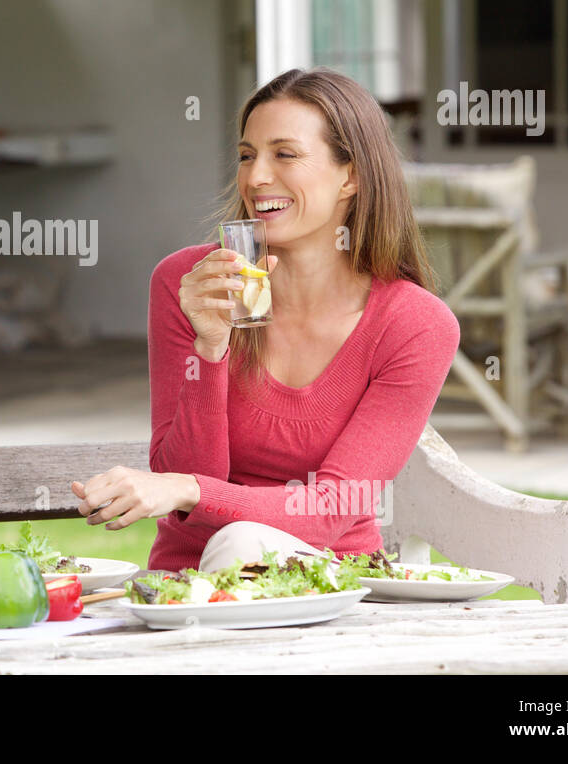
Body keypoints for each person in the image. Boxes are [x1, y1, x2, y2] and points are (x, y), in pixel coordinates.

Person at [70, 67, 460, 573]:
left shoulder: (415, 324)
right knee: (233, 547)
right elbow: (184, 481)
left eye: (285, 154)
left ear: (353, 175)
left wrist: (186, 489)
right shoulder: (188, 284)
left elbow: (331, 509)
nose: (255, 178)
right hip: (191, 588)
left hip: (329, 586)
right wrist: (210, 349)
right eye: (247, 155)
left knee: (243, 543)